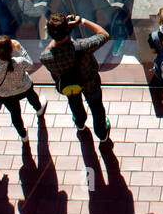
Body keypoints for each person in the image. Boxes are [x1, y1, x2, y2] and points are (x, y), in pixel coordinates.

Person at [40, 12, 112, 142]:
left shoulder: (46, 58)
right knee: (96, 106)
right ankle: (101, 133)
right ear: (68, 30)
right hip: (90, 82)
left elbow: (50, 48)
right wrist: (82, 21)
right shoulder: (82, 47)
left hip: (69, 85)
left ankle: (80, 123)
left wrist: (58, 32)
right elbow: (104, 34)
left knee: (74, 103)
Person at [0, 35, 46, 139]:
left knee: (15, 114)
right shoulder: (20, 62)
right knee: (32, 97)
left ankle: (23, 136)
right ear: (11, 50)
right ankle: (39, 109)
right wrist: (20, 47)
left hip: (5, 95)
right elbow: (31, 64)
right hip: (24, 88)